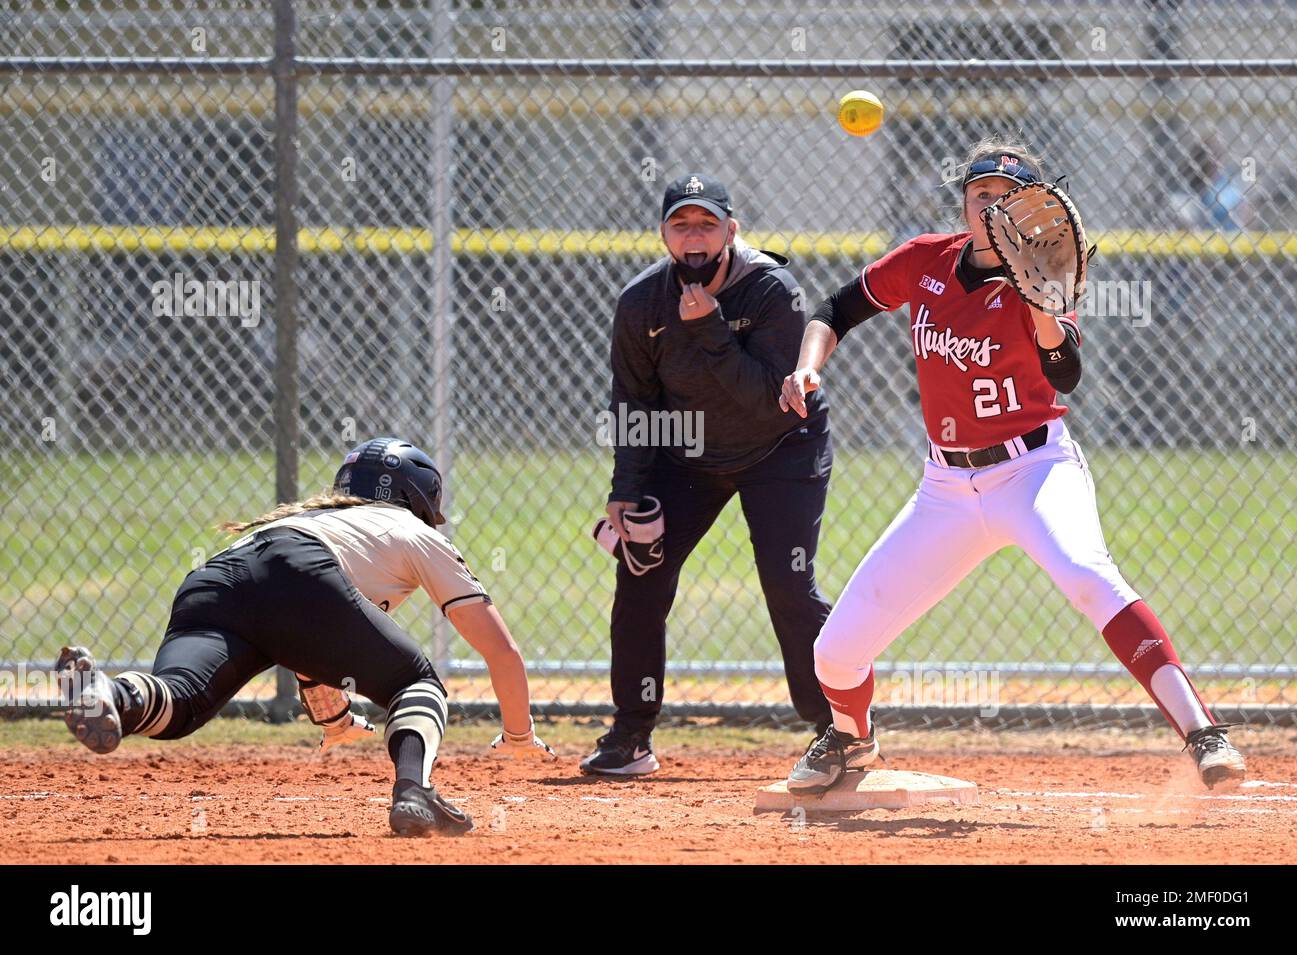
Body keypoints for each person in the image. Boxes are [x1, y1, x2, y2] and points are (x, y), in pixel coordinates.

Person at [777, 138, 1247, 794]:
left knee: (1088, 575)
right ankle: (852, 739)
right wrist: (808, 364)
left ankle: (1204, 732)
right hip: (946, 487)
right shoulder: (923, 262)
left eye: (1008, 198)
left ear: (1032, 211)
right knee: (835, 651)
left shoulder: (1040, 279)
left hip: (1033, 470)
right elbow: (836, 310)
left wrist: (1045, 311)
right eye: (981, 195)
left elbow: (1068, 372)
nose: (993, 208)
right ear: (964, 202)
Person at [56, 437, 556, 838]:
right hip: (304, 577)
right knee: (417, 683)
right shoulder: (412, 529)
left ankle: (111, 694)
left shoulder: (307, 518)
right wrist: (519, 736)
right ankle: (413, 792)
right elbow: (500, 650)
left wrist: (335, 719)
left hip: (216, 577)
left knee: (181, 704)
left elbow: (311, 638)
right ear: (418, 497)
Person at [581, 173, 836, 775]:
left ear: (731, 230)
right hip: (689, 455)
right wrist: (627, 490)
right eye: (680, 224)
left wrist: (708, 330)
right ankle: (632, 733)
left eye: (706, 224)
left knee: (788, 584)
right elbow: (634, 402)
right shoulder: (641, 303)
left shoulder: (771, 290)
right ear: (664, 233)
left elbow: (767, 400)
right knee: (640, 572)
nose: (693, 237)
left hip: (783, 446)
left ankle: (838, 730)